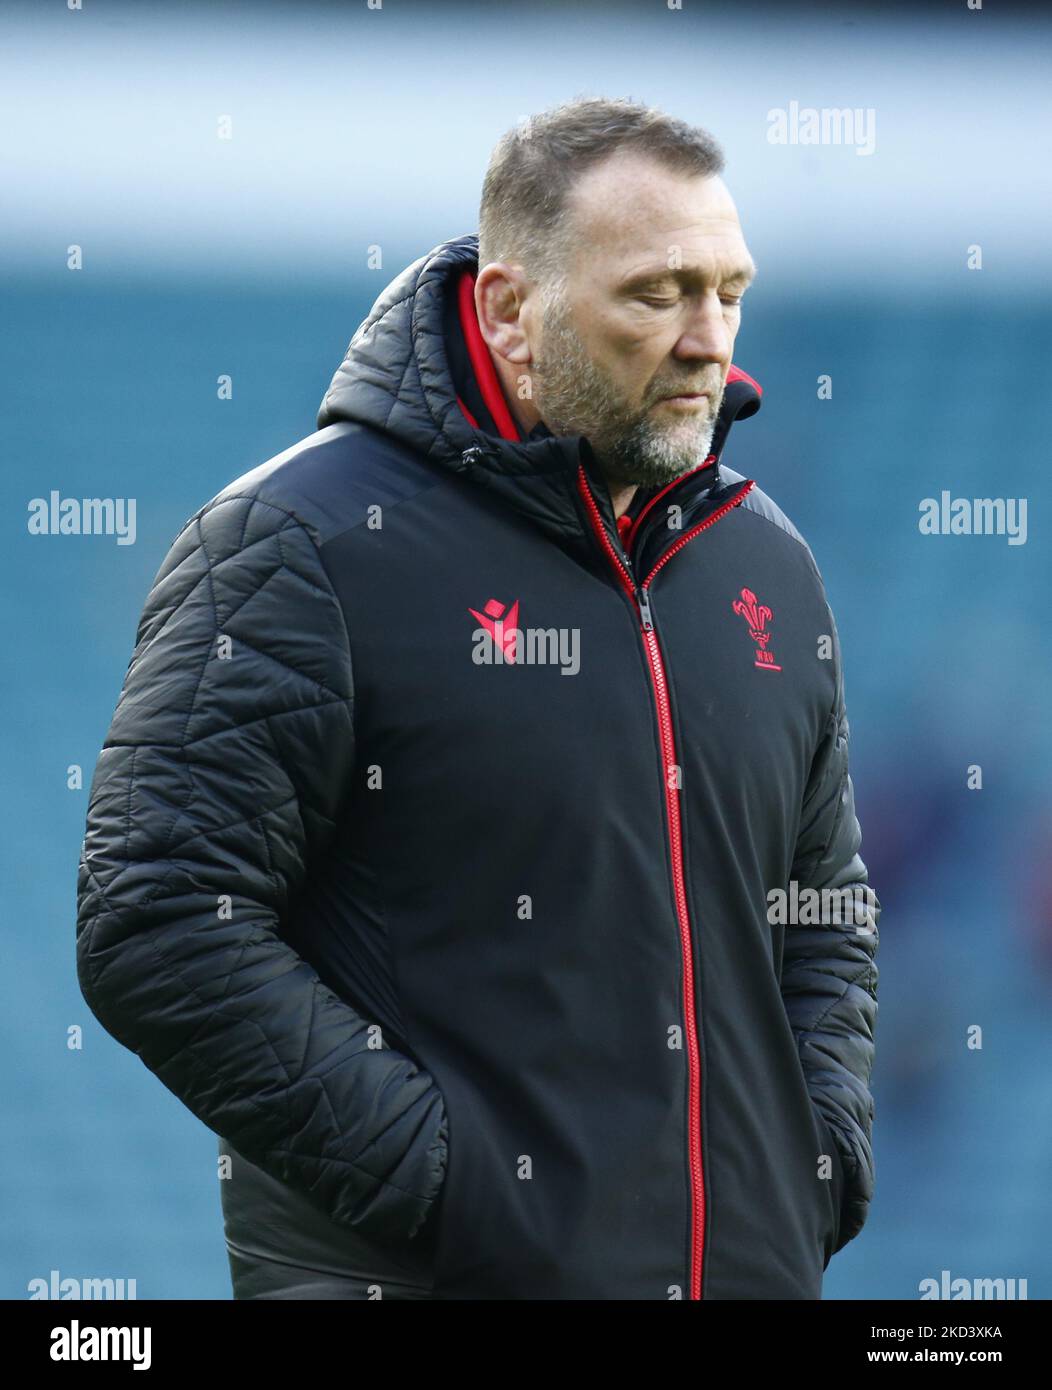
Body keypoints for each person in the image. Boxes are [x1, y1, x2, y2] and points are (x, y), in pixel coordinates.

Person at [75, 95, 880, 1301]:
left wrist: (810, 1161)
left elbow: (820, 911)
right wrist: (455, 1188)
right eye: (656, 294)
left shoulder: (765, 561)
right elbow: (160, 916)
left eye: (727, 290)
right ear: (510, 311)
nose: (710, 339)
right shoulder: (297, 544)